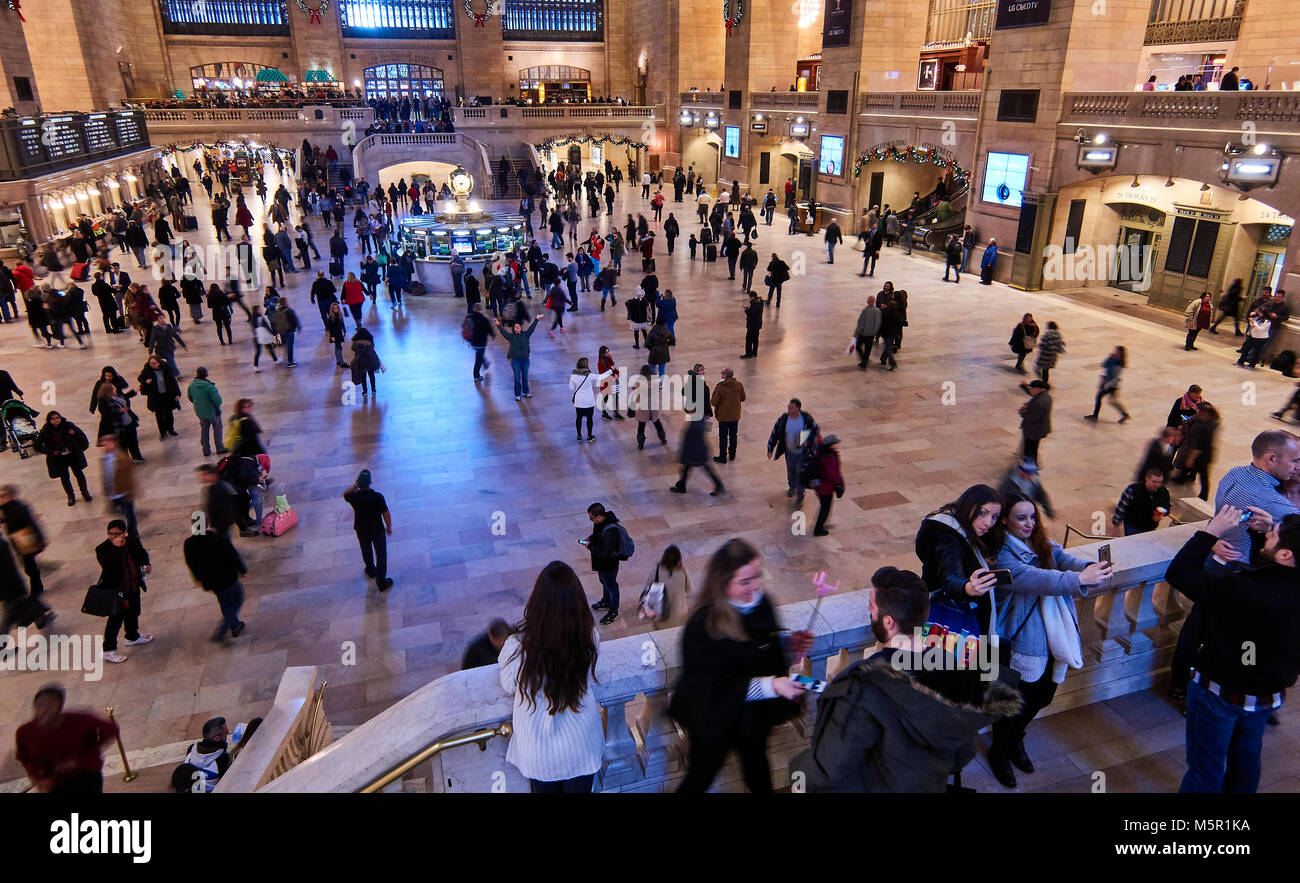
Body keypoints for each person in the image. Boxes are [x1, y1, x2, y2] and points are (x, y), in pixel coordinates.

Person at [795, 566, 1020, 792]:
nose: (869, 611)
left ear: (889, 622)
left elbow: (826, 770)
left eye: (872, 608)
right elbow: (964, 751)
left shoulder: (861, 684)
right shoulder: (950, 664)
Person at [1167, 505, 1300, 793]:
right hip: (1265, 694)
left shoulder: (1242, 590)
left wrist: (1209, 533)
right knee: (1246, 762)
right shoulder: (1273, 586)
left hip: (1220, 691)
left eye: (1273, 535)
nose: (1268, 536)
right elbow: (1273, 583)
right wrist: (1257, 536)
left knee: (1206, 768)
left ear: (1286, 555)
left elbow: (1179, 573)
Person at [988, 492, 1111, 787]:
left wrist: (1088, 569)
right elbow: (1036, 579)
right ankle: (1000, 750)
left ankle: (1016, 739)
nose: (1029, 523)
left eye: (1032, 516)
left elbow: (1062, 559)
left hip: (1053, 634)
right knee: (1014, 701)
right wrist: (1078, 580)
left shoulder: (1039, 541)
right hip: (1021, 640)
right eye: (1021, 518)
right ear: (1004, 520)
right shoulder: (1002, 554)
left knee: (1043, 696)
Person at [670, 538, 813, 792]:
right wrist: (772, 685)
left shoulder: (762, 603)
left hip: (752, 719)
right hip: (714, 720)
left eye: (757, 577)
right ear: (723, 583)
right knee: (701, 776)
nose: (754, 587)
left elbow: (759, 649)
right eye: (744, 581)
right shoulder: (703, 625)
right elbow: (714, 687)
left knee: (757, 769)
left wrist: (788, 646)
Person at [498, 561, 604, 792]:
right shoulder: (589, 637)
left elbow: (507, 685)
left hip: (540, 752)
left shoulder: (518, 648)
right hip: (581, 744)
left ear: (537, 602)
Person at [915, 485, 1004, 639]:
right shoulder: (947, 536)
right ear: (969, 506)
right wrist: (967, 588)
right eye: (983, 513)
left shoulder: (967, 531)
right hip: (950, 626)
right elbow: (950, 575)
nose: (989, 522)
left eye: (995, 516)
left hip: (960, 628)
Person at [15, 686, 120, 793]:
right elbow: (24, 757)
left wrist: (82, 759)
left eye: (50, 705)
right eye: (40, 705)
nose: (44, 710)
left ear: (60, 706)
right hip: (53, 783)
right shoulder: (25, 732)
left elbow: (110, 729)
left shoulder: (78, 720)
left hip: (85, 777)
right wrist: (36, 778)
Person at [94, 519, 153, 664]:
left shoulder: (132, 541)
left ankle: (132, 636)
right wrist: (117, 548)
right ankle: (108, 650)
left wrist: (146, 563)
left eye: (118, 534)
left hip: (132, 585)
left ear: (125, 533)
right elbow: (109, 567)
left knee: (132, 612)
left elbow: (142, 553)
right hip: (117, 591)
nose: (114, 537)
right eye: (111, 534)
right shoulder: (102, 549)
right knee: (115, 619)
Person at [183, 527, 247, 641]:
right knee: (238, 600)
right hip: (228, 578)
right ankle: (223, 629)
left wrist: (198, 579)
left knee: (224, 603)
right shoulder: (219, 539)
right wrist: (242, 570)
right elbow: (233, 556)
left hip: (212, 583)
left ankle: (235, 625)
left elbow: (191, 563)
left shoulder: (189, 544)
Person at [343, 470, 393, 592]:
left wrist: (355, 485)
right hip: (377, 531)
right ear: (370, 483)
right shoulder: (377, 497)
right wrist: (389, 526)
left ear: (359, 484)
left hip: (361, 530)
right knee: (381, 555)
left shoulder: (354, 497)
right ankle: (381, 582)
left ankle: (370, 570)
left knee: (366, 551)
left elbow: (346, 494)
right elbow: (386, 514)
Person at [34, 412, 92, 508]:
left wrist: (77, 438)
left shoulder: (68, 425)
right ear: (49, 420)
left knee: (79, 474)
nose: (56, 420)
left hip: (73, 455)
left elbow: (81, 435)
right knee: (65, 478)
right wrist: (51, 452)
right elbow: (37, 446)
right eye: (53, 419)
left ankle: (85, 493)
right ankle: (71, 497)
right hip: (59, 458)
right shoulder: (46, 431)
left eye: (57, 417)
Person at [584, 502, 627, 625]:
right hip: (602, 564)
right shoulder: (601, 523)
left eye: (592, 518)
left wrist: (590, 546)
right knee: (604, 582)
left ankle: (614, 611)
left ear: (598, 516)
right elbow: (597, 535)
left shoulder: (610, 532)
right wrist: (590, 539)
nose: (591, 521)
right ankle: (606, 601)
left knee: (611, 585)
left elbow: (605, 554)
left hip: (608, 564)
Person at [1173, 402, 1220, 501]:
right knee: (1192, 469)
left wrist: (1191, 458)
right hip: (1204, 453)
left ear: (1205, 413)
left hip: (1202, 455)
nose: (1197, 412)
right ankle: (1181, 479)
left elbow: (1199, 446)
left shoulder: (1205, 427)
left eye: (1198, 411)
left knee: (1202, 474)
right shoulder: (1208, 422)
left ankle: (1204, 494)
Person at [1113, 468, 1172, 536]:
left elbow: (1167, 506)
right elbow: (1122, 508)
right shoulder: (1132, 490)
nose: (1157, 485)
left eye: (1160, 482)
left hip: (1150, 526)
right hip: (1133, 525)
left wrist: (1162, 513)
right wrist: (1116, 524)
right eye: (1154, 482)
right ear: (1147, 478)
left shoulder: (1163, 491)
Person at [138, 354, 182, 440]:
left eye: (154, 363)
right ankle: (163, 432)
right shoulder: (147, 369)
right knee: (159, 416)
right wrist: (146, 381)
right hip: (156, 397)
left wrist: (177, 394)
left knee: (169, 414)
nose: (152, 365)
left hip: (167, 395)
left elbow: (173, 381)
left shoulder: (166, 368)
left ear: (159, 363)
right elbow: (140, 378)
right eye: (151, 363)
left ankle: (170, 429)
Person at [185, 366, 225, 457]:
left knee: (204, 430)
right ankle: (220, 448)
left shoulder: (191, 385)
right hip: (213, 412)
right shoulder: (210, 387)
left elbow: (190, 397)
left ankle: (206, 450)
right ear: (206, 374)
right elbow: (218, 401)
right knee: (217, 429)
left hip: (200, 412)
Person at [569, 358, 610, 444]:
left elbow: (571, 388)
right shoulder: (589, 375)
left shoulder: (573, 375)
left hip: (579, 402)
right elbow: (601, 376)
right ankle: (589, 436)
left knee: (579, 418)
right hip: (588, 402)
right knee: (589, 419)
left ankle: (579, 436)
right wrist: (611, 370)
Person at [1084, 345, 1130, 423]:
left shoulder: (1119, 365)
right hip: (1107, 383)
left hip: (1111, 386)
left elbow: (1116, 378)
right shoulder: (1112, 359)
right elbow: (1103, 365)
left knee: (1099, 397)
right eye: (1116, 351)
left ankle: (1095, 416)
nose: (1116, 352)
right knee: (1112, 401)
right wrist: (1109, 357)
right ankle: (1124, 415)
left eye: (1118, 352)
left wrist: (1106, 386)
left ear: (1121, 354)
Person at [811, 434, 845, 537]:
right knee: (825, 509)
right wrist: (839, 484)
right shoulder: (829, 458)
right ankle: (818, 529)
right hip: (826, 488)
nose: (837, 444)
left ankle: (820, 524)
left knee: (823, 507)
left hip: (819, 486)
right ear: (831, 445)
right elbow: (833, 474)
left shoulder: (820, 452)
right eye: (836, 443)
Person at [710, 367, 746, 464]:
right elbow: (743, 398)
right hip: (735, 416)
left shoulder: (720, 387)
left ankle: (722, 457)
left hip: (723, 416)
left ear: (725, 375)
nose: (721, 375)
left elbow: (714, 402)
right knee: (733, 435)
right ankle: (732, 454)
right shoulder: (739, 385)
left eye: (722, 373)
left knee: (723, 436)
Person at [500, 316, 539, 401]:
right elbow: (503, 333)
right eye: (516, 327)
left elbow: (532, 328)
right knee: (517, 378)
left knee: (525, 377)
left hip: (525, 360)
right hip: (515, 361)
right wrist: (498, 325)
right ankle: (517, 394)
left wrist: (536, 319)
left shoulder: (526, 334)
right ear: (514, 329)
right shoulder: (511, 337)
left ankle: (526, 392)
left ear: (521, 328)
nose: (518, 328)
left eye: (519, 326)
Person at [1019, 379, 1052, 464]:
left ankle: (1029, 469)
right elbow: (1032, 395)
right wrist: (1024, 386)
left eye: (1032, 388)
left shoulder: (1039, 403)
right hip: (1038, 429)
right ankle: (1030, 466)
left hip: (1033, 431)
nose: (1030, 390)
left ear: (1038, 389)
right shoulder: (1046, 397)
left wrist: (1022, 411)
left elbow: (1031, 417)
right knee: (1032, 449)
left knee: (1030, 451)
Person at [350, 327, 383, 398]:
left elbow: (352, 348)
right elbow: (373, 346)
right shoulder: (370, 339)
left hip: (360, 361)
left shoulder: (356, 343)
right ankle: (373, 390)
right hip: (370, 361)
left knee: (363, 377)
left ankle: (365, 391)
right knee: (371, 376)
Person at [270, 297, 301, 367]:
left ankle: (286, 357)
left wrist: (275, 332)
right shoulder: (289, 310)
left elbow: (273, 323)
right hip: (290, 331)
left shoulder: (277, 311)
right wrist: (298, 328)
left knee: (285, 344)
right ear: (286, 302)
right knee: (290, 346)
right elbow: (295, 319)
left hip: (281, 331)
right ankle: (290, 362)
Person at [854, 296, 882, 369]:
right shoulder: (878, 311)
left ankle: (864, 360)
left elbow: (861, 322)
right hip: (871, 334)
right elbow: (878, 323)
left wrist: (857, 332)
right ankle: (865, 362)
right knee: (868, 349)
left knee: (858, 346)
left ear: (869, 301)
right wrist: (875, 332)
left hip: (863, 333)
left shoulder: (865, 310)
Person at [741, 291, 763, 358]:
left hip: (752, 325)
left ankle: (748, 354)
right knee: (755, 339)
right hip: (757, 324)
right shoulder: (760, 302)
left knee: (749, 339)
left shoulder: (755, 304)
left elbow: (751, 314)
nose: (749, 299)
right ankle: (754, 352)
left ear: (753, 297)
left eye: (750, 297)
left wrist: (746, 310)